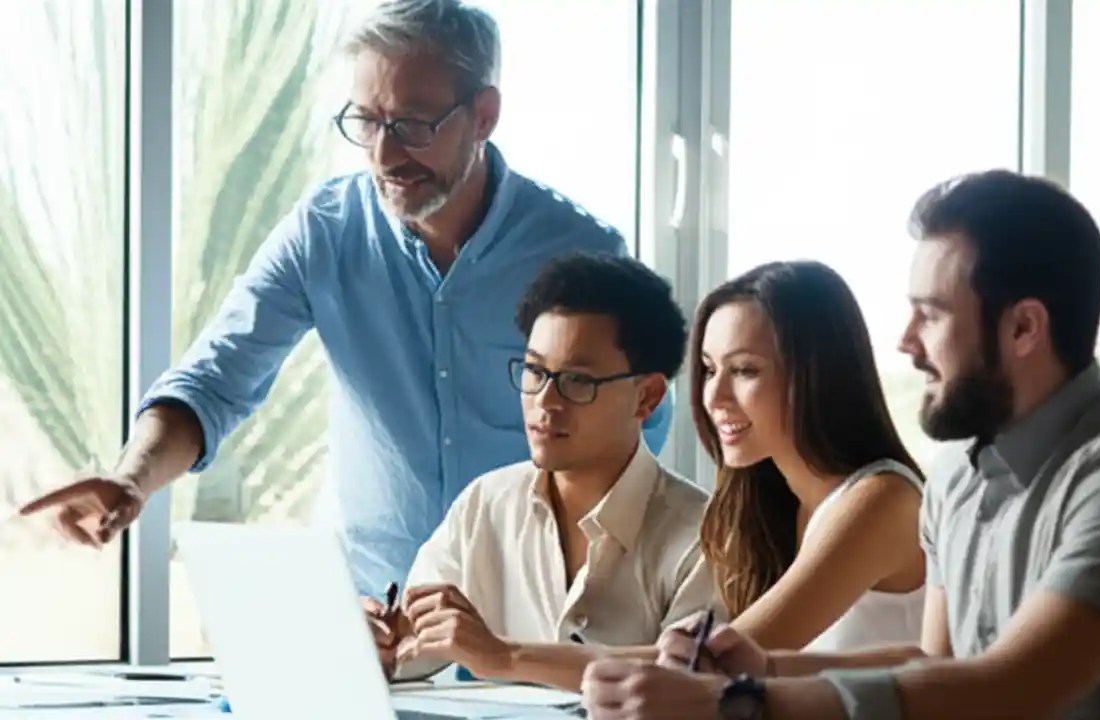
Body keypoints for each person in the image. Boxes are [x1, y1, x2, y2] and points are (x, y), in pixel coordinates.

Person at [18, 0, 670, 597]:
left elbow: (640, 432)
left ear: (484, 115)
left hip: (538, 617)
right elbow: (213, 383)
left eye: (413, 124)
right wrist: (132, 480)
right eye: (367, 121)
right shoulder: (326, 231)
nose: (385, 153)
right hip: (373, 618)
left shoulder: (582, 252)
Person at [580, 170, 1100, 720]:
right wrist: (767, 667)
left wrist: (742, 702)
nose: (905, 340)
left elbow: (1014, 687)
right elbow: (936, 663)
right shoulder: (956, 475)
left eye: (931, 313)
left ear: (1023, 328)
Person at [364, 252, 717, 689]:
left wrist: (504, 657)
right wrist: (376, 646)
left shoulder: (704, 537)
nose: (546, 402)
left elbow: (692, 681)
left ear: (646, 398)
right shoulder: (486, 504)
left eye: (577, 381)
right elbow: (414, 647)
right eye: (534, 371)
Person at [686, 260, 927, 654]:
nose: (714, 396)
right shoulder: (775, 502)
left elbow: (723, 657)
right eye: (709, 369)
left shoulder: (882, 499)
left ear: (816, 375)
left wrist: (548, 657)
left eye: (745, 370)